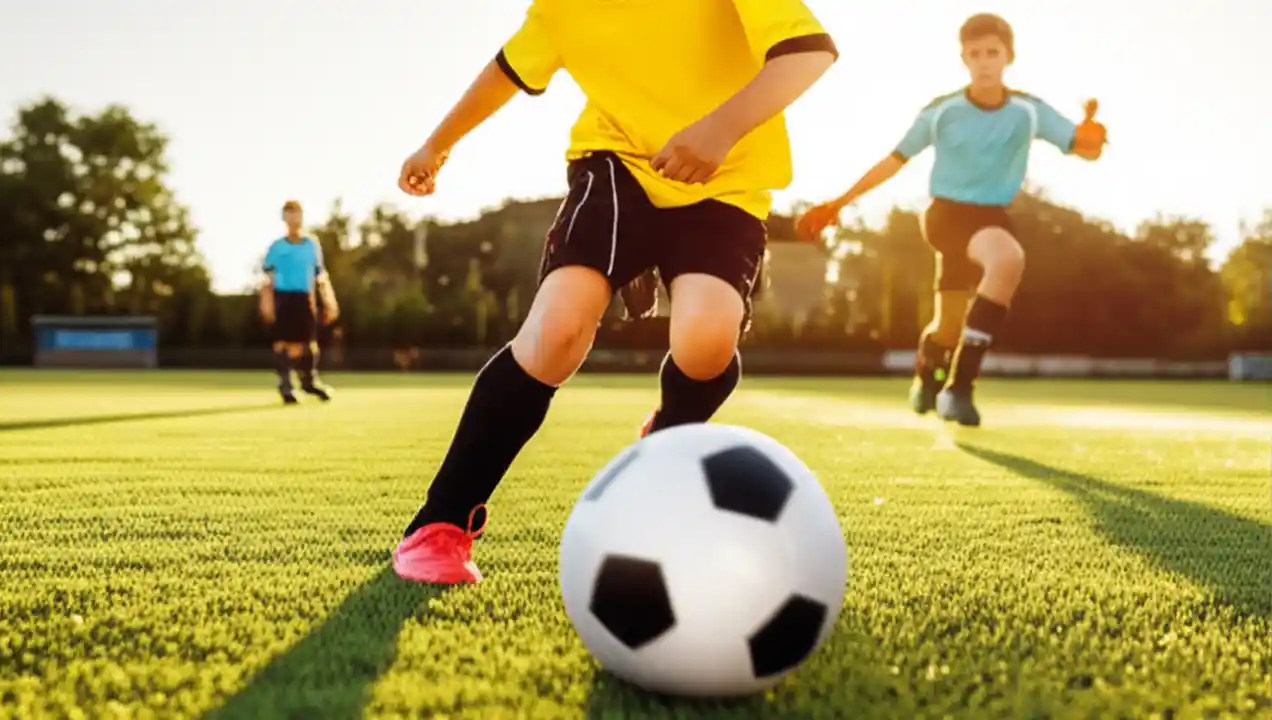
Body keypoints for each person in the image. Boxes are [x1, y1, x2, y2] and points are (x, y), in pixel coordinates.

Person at [392, 0, 838, 584]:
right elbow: (505, 69)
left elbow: (809, 53)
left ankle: (666, 439)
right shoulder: (560, 10)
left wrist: (718, 130)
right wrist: (436, 145)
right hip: (616, 169)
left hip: (725, 183)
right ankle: (442, 522)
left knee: (706, 340)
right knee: (557, 331)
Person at [797, 13, 1106, 427]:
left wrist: (1093, 139)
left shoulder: (1029, 110)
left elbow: (1083, 147)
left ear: (1009, 57)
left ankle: (928, 374)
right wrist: (839, 202)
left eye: (992, 53)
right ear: (963, 59)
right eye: (974, 54)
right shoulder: (942, 110)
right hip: (945, 215)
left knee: (947, 328)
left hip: (991, 214)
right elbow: (895, 160)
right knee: (1008, 260)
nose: (983, 62)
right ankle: (959, 390)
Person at [258, 200, 339, 404]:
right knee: (282, 343)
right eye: (289, 214)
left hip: (304, 298)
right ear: (284, 218)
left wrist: (329, 300)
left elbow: (320, 276)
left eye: (297, 213)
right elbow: (267, 279)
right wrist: (266, 302)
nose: (294, 218)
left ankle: (309, 382)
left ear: (302, 216)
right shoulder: (277, 247)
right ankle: (286, 385)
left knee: (309, 343)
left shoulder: (312, 245)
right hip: (283, 297)